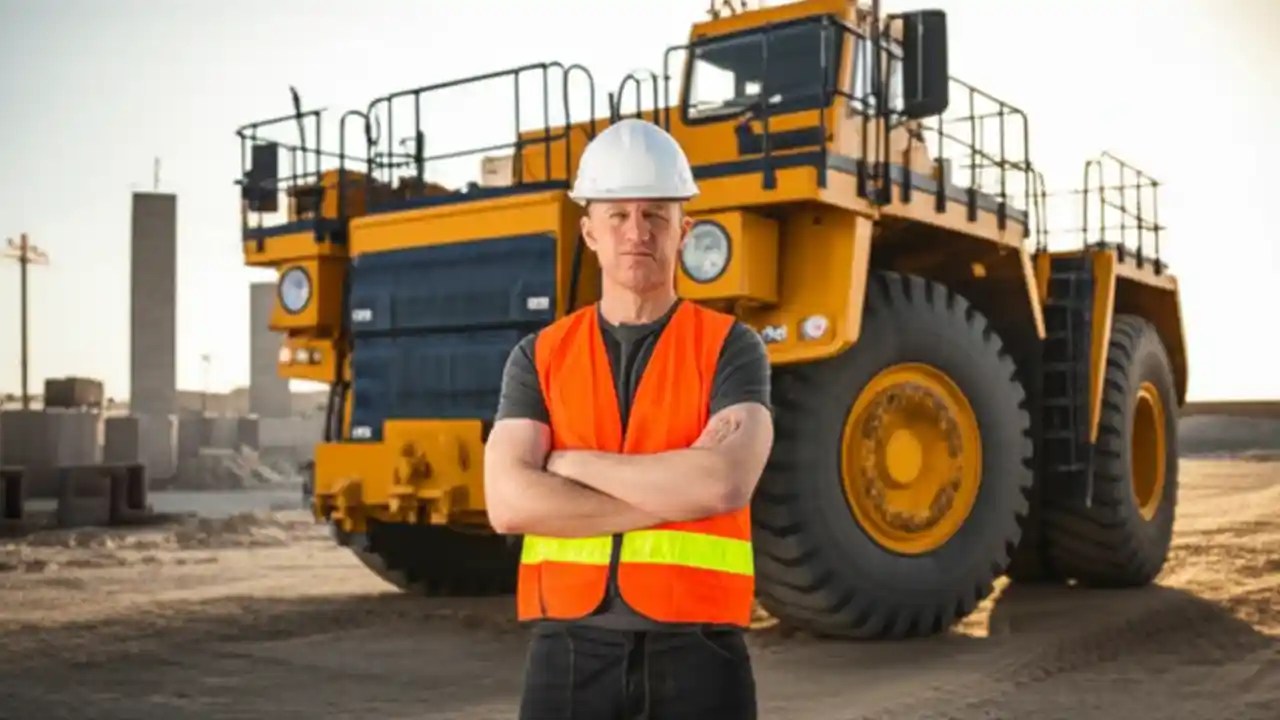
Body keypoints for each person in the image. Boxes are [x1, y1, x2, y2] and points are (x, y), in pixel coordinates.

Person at [483, 117, 775, 720]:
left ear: (683, 230)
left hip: (698, 653)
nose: (636, 232)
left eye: (655, 215)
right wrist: (675, 492)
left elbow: (722, 484)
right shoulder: (538, 357)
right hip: (567, 653)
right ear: (589, 230)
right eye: (617, 215)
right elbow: (509, 504)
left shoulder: (730, 347)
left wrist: (571, 463)